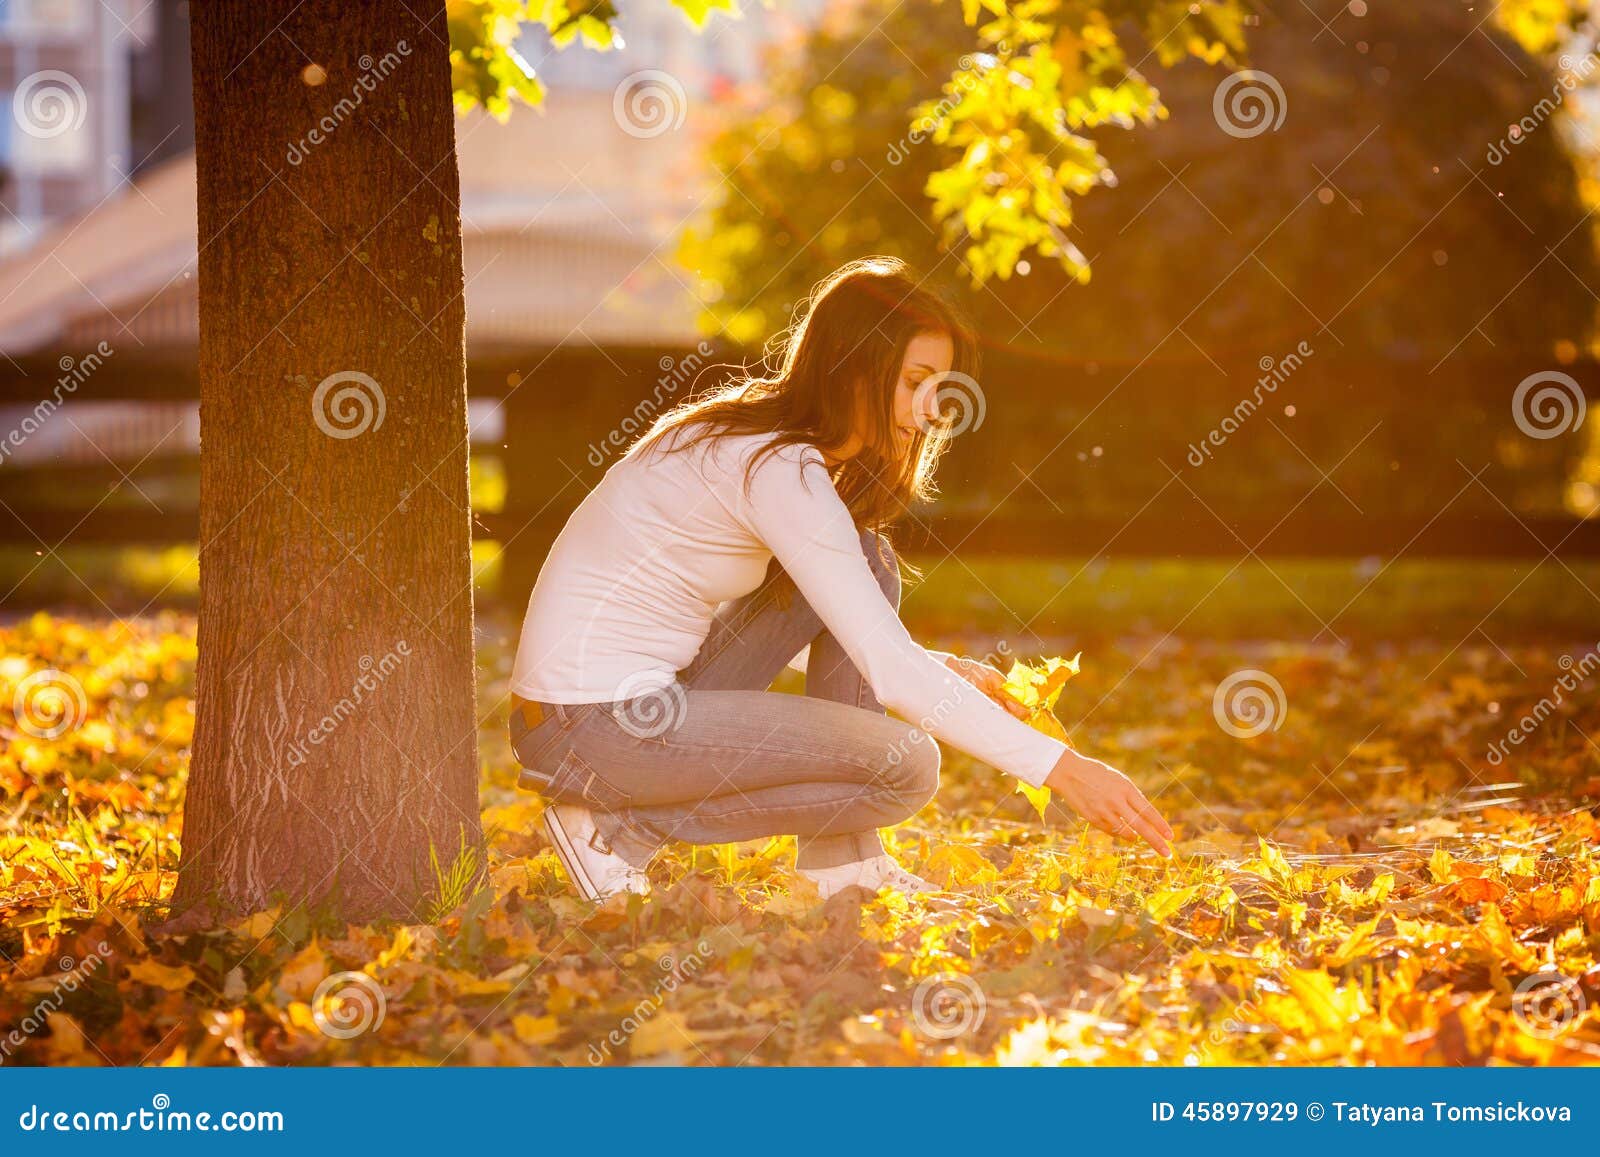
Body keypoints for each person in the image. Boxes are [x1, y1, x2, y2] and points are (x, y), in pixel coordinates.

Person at [508, 257, 1173, 901]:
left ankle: (845, 867)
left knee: (868, 556)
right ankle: (617, 830)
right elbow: (889, 671)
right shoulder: (776, 468)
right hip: (592, 727)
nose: (933, 407)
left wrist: (933, 662)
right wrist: (1067, 769)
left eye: (939, 383)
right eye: (914, 380)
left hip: (610, 711)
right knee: (905, 766)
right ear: (853, 366)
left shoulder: (757, 439)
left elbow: (830, 621)